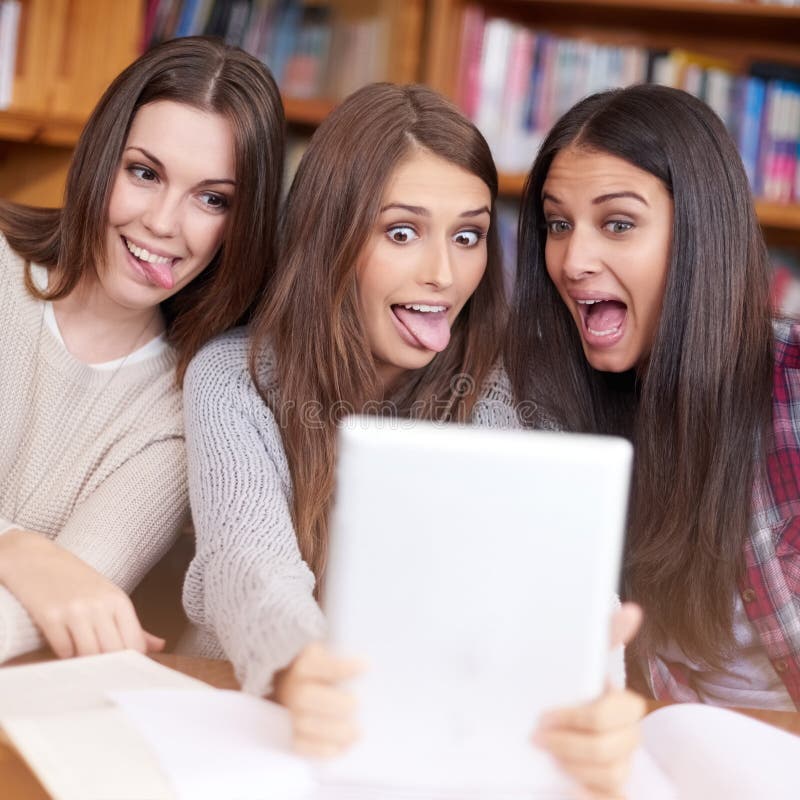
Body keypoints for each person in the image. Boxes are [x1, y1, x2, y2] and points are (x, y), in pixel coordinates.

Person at [182, 82, 644, 799]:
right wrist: (302, 668)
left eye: (468, 236)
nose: (443, 274)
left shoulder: (506, 397)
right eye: (402, 232)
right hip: (245, 733)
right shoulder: (234, 378)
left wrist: (594, 691)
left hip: (435, 750)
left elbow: (555, 593)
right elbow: (248, 561)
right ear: (331, 233)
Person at [505, 82, 800, 712]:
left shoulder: (793, 387)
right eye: (559, 224)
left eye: (617, 223)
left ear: (700, 234)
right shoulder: (548, 411)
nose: (573, 259)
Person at [0, 36, 284, 664]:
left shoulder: (187, 406)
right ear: (102, 161)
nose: (163, 223)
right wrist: (22, 550)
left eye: (212, 199)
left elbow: (60, 615)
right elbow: (54, 585)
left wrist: (45, 572)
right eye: (145, 173)